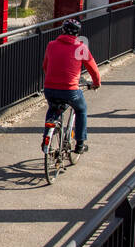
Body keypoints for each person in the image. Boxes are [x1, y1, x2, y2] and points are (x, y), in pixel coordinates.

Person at [43, 18, 101, 154]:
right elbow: (93, 70)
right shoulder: (81, 47)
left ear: (62, 31)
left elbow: (45, 66)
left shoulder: (51, 45)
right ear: (77, 33)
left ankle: (46, 140)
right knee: (81, 110)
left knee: (53, 110)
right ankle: (80, 144)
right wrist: (96, 84)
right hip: (70, 90)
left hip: (50, 89)